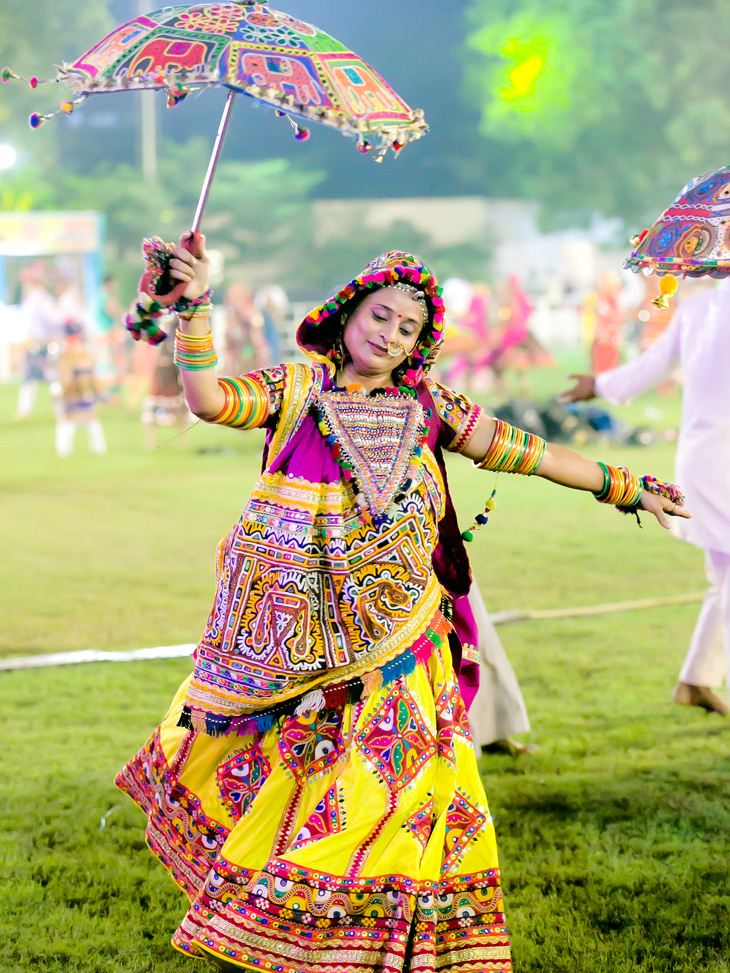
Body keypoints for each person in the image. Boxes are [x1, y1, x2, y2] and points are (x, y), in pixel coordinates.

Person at [116, 237, 687, 973]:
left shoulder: (430, 405)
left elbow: (529, 451)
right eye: (379, 316)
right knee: (305, 773)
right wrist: (195, 304)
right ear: (347, 314)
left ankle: (379, 929)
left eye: (407, 327)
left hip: (404, 634)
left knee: (405, 784)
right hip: (304, 637)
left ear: (420, 343)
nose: (388, 335)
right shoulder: (298, 388)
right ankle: (297, 912)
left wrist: (622, 486)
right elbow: (208, 400)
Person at [560, 278, 730, 716]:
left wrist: (600, 384)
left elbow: (652, 365)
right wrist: (600, 384)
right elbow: (654, 364)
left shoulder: (699, 307)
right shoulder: (700, 307)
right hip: (718, 462)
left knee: (725, 578)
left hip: (705, 460)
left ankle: (696, 680)